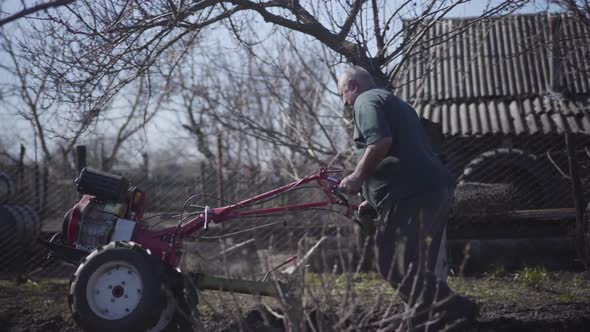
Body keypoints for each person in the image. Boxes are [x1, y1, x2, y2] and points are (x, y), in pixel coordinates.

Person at [337, 66, 477, 331]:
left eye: (342, 94)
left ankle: (459, 310)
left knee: (393, 263)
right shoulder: (396, 103)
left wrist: (356, 178)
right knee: (415, 264)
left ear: (353, 86)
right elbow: (405, 151)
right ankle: (431, 321)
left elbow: (380, 143)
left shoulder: (366, 101)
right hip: (433, 189)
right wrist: (372, 198)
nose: (344, 102)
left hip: (412, 192)